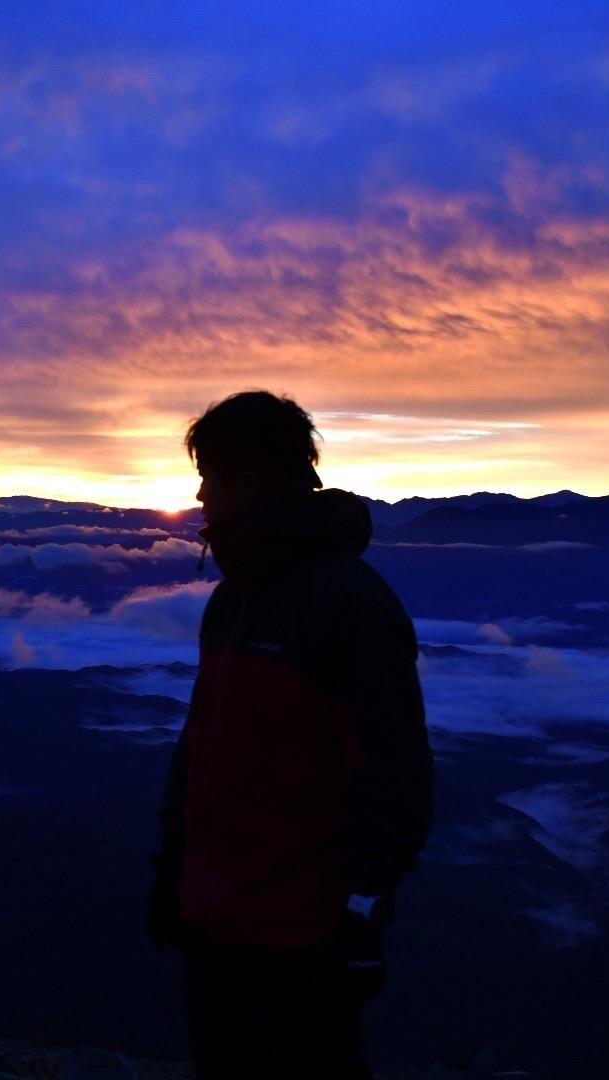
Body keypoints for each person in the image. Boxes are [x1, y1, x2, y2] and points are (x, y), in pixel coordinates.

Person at [147, 390, 434, 1080]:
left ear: (248, 479)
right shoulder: (232, 600)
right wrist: (173, 872)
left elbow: (392, 772)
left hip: (302, 935)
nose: (199, 493)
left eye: (210, 475)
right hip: (215, 920)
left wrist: (362, 914)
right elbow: (203, 747)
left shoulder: (348, 602)